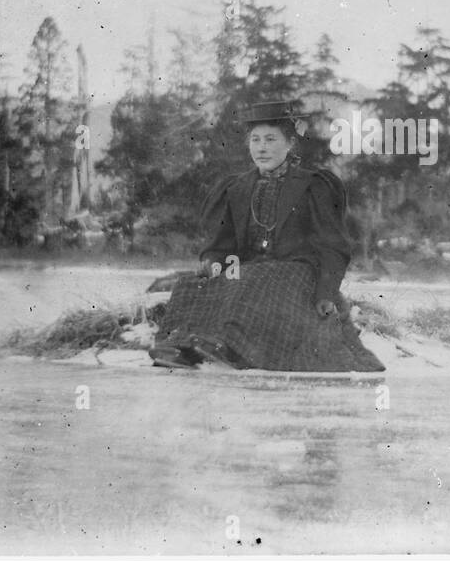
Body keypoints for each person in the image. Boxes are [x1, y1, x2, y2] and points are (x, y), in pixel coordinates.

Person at [147, 100, 384, 372]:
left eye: (271, 139)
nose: (262, 147)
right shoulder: (236, 187)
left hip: (299, 274)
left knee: (251, 279)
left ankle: (227, 346)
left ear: (289, 144)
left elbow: (333, 247)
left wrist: (326, 293)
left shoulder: (313, 185)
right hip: (251, 271)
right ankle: (178, 346)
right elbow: (221, 246)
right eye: (256, 140)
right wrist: (212, 264)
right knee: (193, 283)